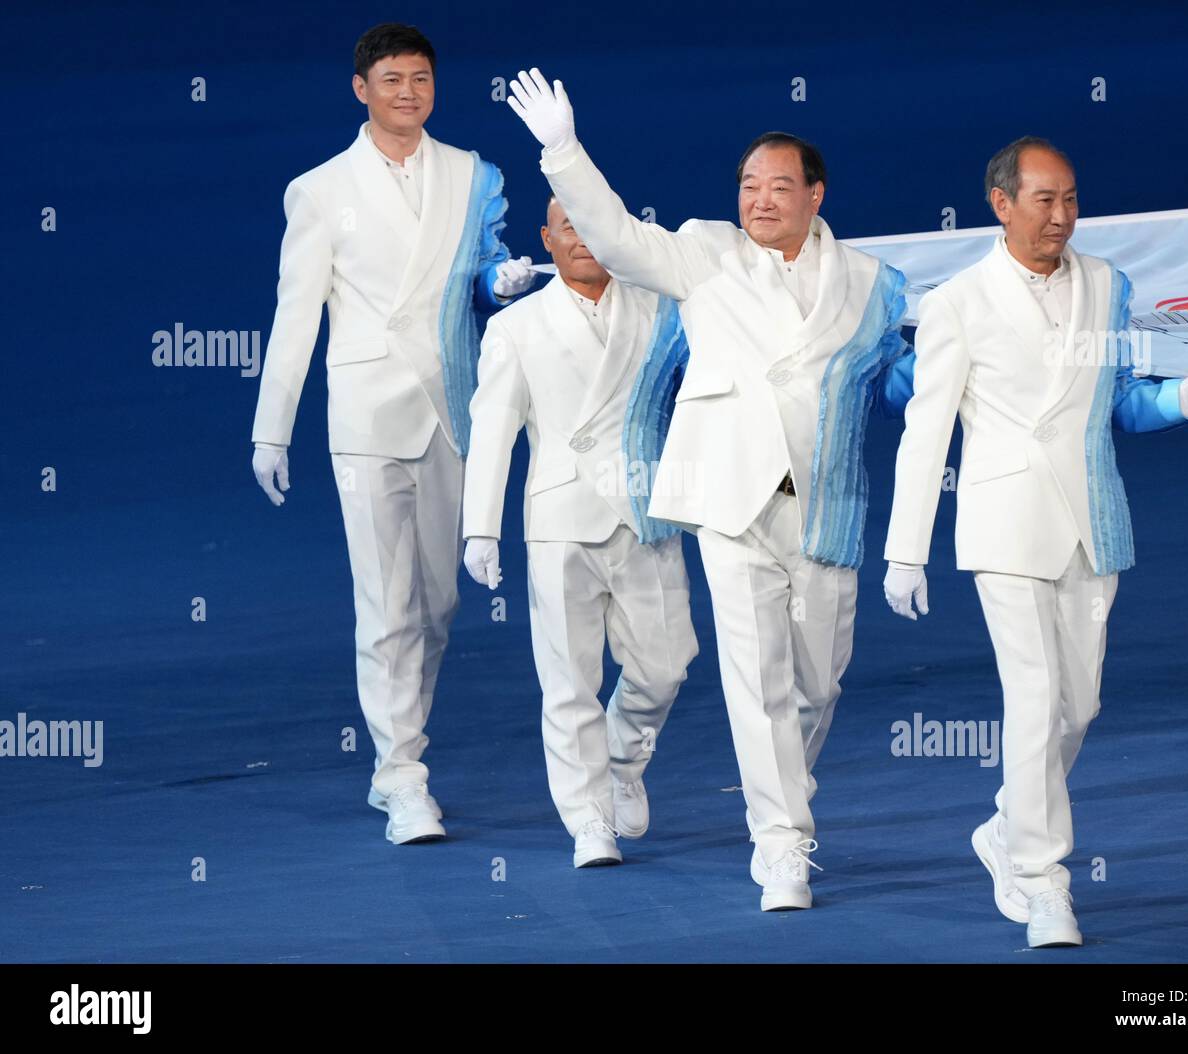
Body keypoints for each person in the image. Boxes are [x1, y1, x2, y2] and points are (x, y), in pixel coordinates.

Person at [506, 68, 914, 911]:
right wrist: (561, 150)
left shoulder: (874, 282)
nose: (759, 201)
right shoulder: (705, 253)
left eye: (777, 187)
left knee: (818, 684)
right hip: (731, 502)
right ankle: (781, 847)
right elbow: (616, 237)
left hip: (827, 506)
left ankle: (786, 803)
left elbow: (898, 378)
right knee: (754, 679)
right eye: (747, 187)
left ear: (815, 194)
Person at [882, 135, 1188, 946]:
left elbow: (1122, 403)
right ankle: (1042, 881)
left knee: (1079, 706)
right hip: (1002, 525)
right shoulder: (957, 302)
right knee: (1034, 703)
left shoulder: (1109, 287)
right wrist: (905, 549)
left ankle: (1005, 827)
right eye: (1045, 200)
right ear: (1000, 204)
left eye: (1070, 199)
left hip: (1091, 520)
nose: (1062, 216)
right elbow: (924, 431)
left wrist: (1181, 398)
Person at [249, 23, 536, 845]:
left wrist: (499, 279)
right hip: (369, 410)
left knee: (438, 603)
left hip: (450, 404)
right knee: (386, 602)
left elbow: (480, 274)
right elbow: (295, 314)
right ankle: (402, 774)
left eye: (420, 78)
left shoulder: (472, 173)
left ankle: (400, 750)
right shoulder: (321, 188)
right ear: (360, 89)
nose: (408, 92)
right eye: (391, 79)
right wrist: (273, 428)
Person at [461, 196, 699, 868]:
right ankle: (588, 818)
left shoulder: (662, 309)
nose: (583, 240)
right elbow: (492, 433)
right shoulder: (517, 326)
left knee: (666, 664)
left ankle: (622, 758)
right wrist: (480, 529)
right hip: (561, 519)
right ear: (547, 238)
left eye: (594, 226)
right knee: (568, 680)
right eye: (569, 228)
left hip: (645, 510)